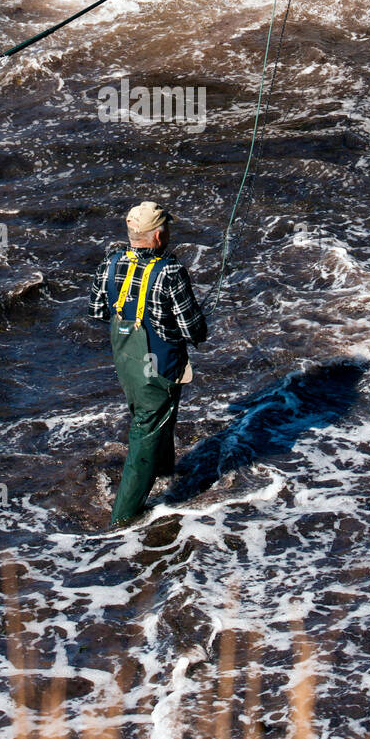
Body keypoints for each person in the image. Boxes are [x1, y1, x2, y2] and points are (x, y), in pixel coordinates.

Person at [89, 201, 208, 527]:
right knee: (145, 430)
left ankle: (164, 472)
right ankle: (122, 519)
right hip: (161, 367)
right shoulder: (171, 272)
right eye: (166, 228)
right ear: (157, 237)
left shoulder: (110, 263)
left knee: (153, 418)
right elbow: (193, 329)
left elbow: (98, 310)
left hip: (128, 363)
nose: (169, 232)